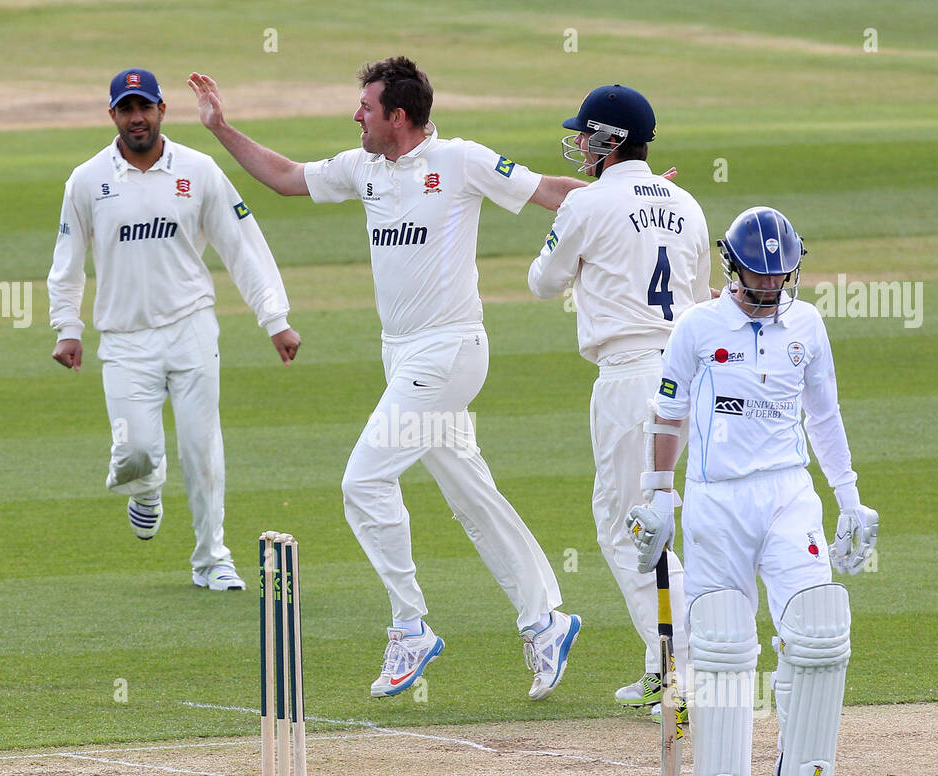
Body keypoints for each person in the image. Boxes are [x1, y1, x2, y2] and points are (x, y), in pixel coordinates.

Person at [190, 57, 584, 699]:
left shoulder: (461, 160)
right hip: (402, 356)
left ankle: (410, 625)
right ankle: (546, 620)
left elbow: (550, 192)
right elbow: (288, 179)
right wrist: (220, 128)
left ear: (397, 116)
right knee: (471, 495)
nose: (356, 117)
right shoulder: (365, 168)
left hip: (450, 352)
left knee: (363, 480)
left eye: (366, 108)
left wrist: (633, 194)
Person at [627, 206, 878, 776]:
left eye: (780, 278)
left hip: (790, 493)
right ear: (731, 267)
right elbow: (669, 413)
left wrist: (848, 498)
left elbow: (824, 415)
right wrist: (660, 494)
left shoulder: (808, 325)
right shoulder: (696, 326)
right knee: (721, 640)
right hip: (716, 500)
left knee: (819, 629)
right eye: (758, 278)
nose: (769, 290)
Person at [48, 68, 300, 590]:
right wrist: (66, 327)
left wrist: (274, 318)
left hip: (191, 330)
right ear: (113, 115)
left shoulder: (200, 170)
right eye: (126, 109)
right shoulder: (88, 180)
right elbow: (67, 262)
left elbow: (242, 245)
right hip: (122, 338)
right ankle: (145, 489)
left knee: (201, 448)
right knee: (135, 451)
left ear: (163, 110)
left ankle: (212, 559)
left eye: (145, 108)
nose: (136, 118)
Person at [527, 84, 711, 721]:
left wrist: (587, 228)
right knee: (649, 518)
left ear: (607, 141)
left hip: (630, 376)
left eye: (584, 134)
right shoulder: (685, 202)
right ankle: (666, 665)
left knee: (628, 524)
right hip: (688, 378)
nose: (578, 143)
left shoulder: (588, 204)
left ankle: (685, 670)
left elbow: (542, 282)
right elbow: (700, 296)